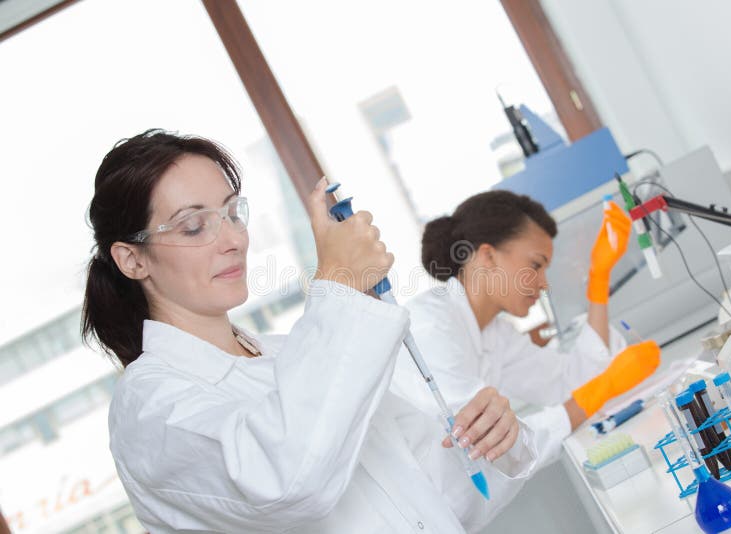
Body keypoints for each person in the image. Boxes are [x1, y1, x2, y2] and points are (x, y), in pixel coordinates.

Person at [83, 130, 543, 533]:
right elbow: (287, 481)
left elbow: (443, 499)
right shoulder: (149, 409)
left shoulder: (294, 355)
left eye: (232, 212)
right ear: (132, 259)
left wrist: (496, 440)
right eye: (193, 225)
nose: (234, 239)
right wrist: (339, 283)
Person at [390, 190, 660, 465]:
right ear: (488, 257)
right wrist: (603, 388)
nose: (544, 284)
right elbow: (490, 441)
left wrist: (598, 283)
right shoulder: (429, 328)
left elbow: (571, 383)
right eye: (535, 265)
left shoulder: (496, 333)